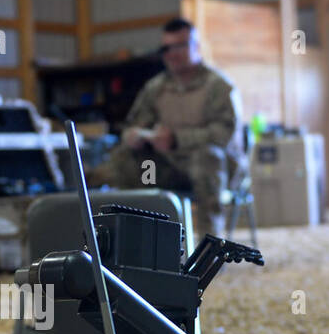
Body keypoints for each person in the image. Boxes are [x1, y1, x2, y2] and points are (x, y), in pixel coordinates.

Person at [97, 17, 243, 241]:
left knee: (208, 158)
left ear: (196, 47)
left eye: (180, 46)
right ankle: (141, 236)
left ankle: (210, 247)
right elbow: (134, 125)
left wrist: (177, 139)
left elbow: (224, 134)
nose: (172, 53)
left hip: (214, 171)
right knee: (126, 158)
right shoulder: (155, 88)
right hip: (165, 169)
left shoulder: (219, 87)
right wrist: (135, 136)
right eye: (166, 48)